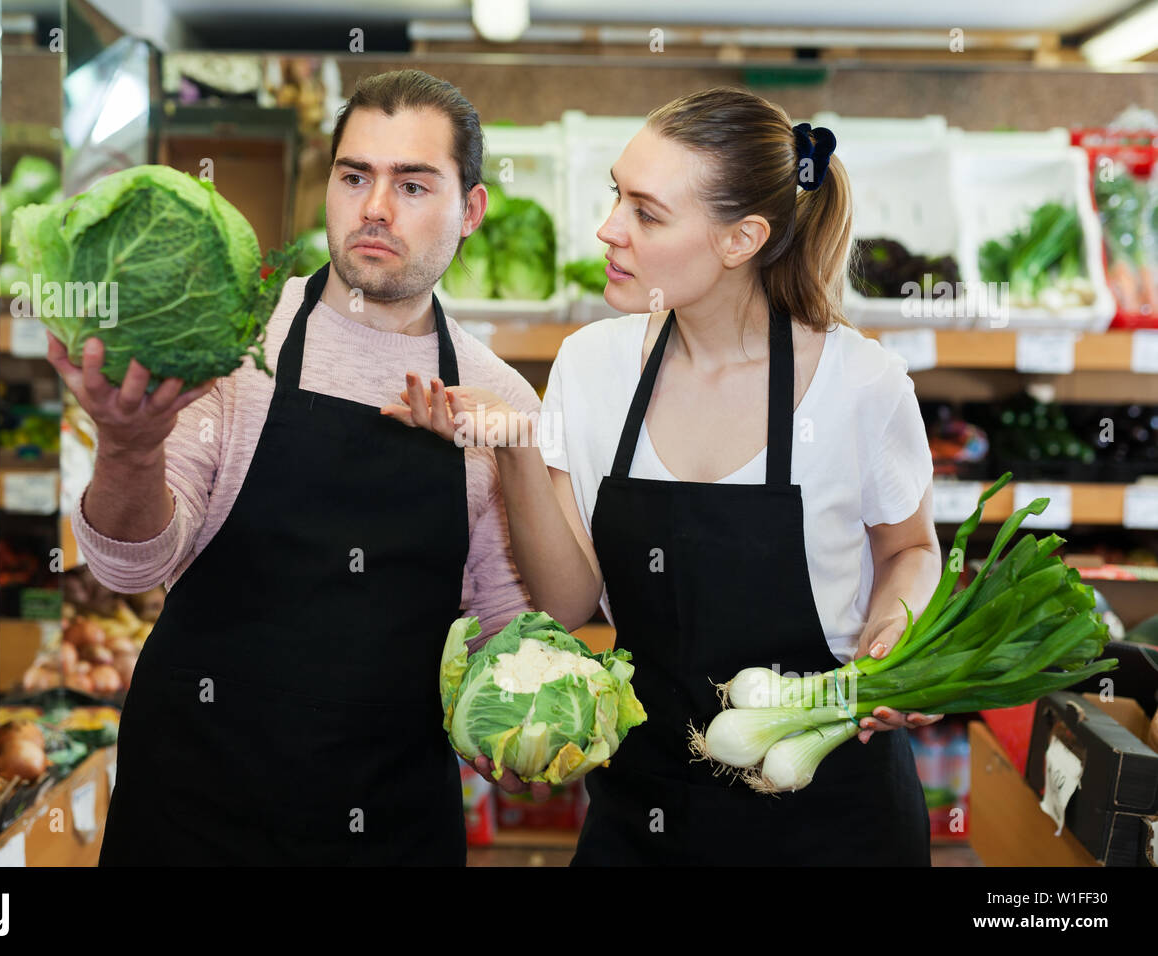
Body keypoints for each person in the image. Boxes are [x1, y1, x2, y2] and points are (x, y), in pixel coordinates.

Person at [384, 87, 943, 865]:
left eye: (646, 213)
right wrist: (515, 449)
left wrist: (896, 632)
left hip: (832, 805)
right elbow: (568, 604)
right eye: (617, 195)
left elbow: (909, 548)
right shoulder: (592, 368)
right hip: (646, 805)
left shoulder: (861, 384)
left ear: (742, 239)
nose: (609, 228)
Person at [53, 70, 546, 866]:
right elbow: (127, 566)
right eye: (354, 177)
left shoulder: (498, 400)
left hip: (389, 822)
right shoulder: (234, 343)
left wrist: (516, 725)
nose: (375, 207)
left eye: (412, 184)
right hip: (191, 808)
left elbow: (501, 619)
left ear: (472, 210)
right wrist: (128, 449)